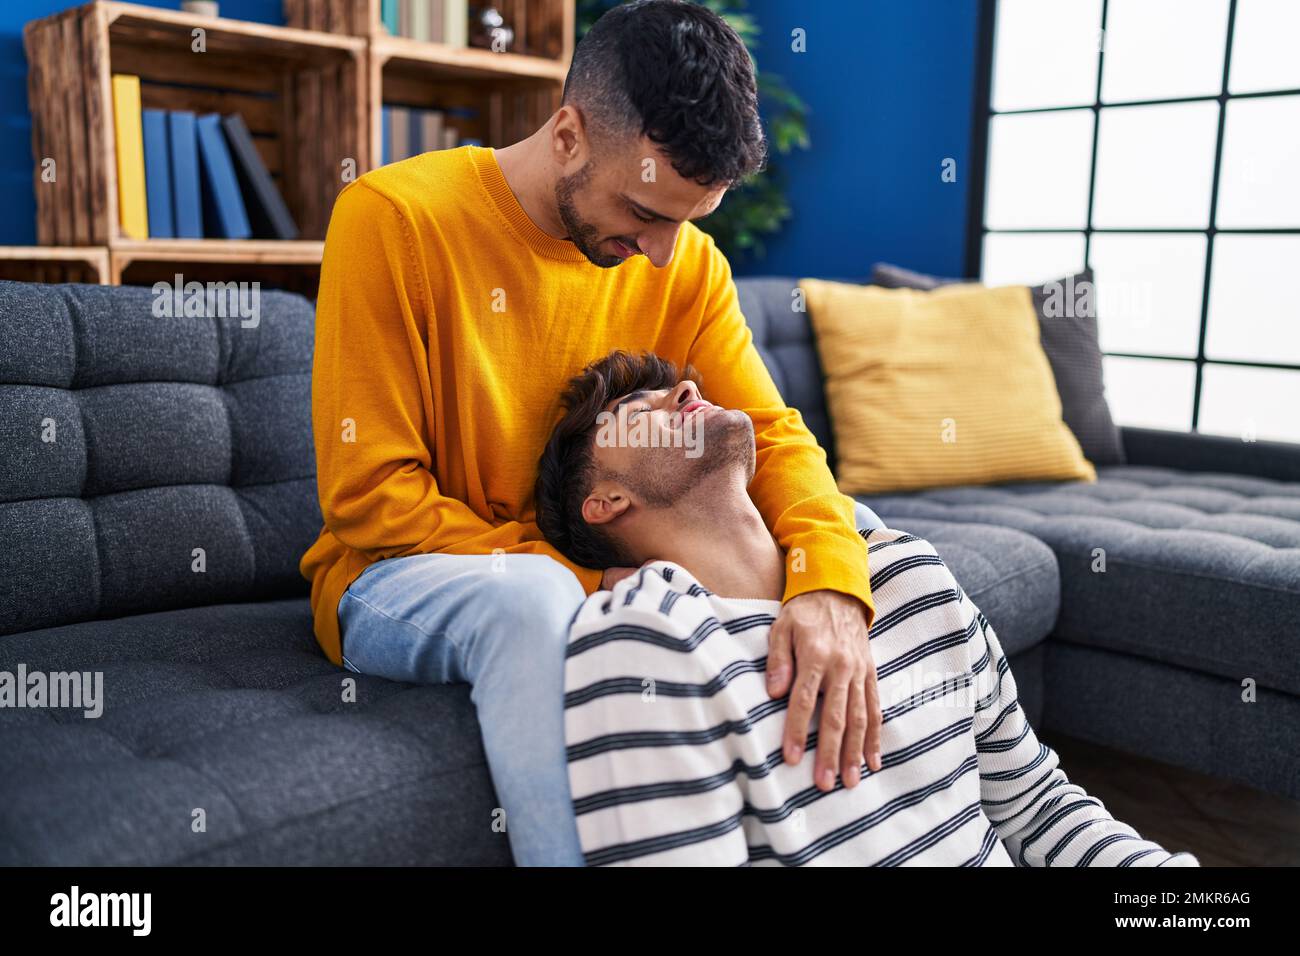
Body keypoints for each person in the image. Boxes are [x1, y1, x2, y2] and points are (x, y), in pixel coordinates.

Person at [300, 0, 885, 866]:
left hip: (594, 559)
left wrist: (828, 582)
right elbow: (371, 499)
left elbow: (773, 434)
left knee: (858, 539)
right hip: (395, 574)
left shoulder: (684, 262)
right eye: (645, 212)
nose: (660, 251)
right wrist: (596, 573)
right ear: (568, 133)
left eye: (687, 220)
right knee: (533, 601)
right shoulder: (395, 219)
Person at [535, 350, 1201, 866]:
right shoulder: (648, 643)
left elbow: (1039, 811)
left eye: (678, 385)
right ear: (606, 501)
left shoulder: (905, 571)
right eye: (639, 410)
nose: (686, 390)